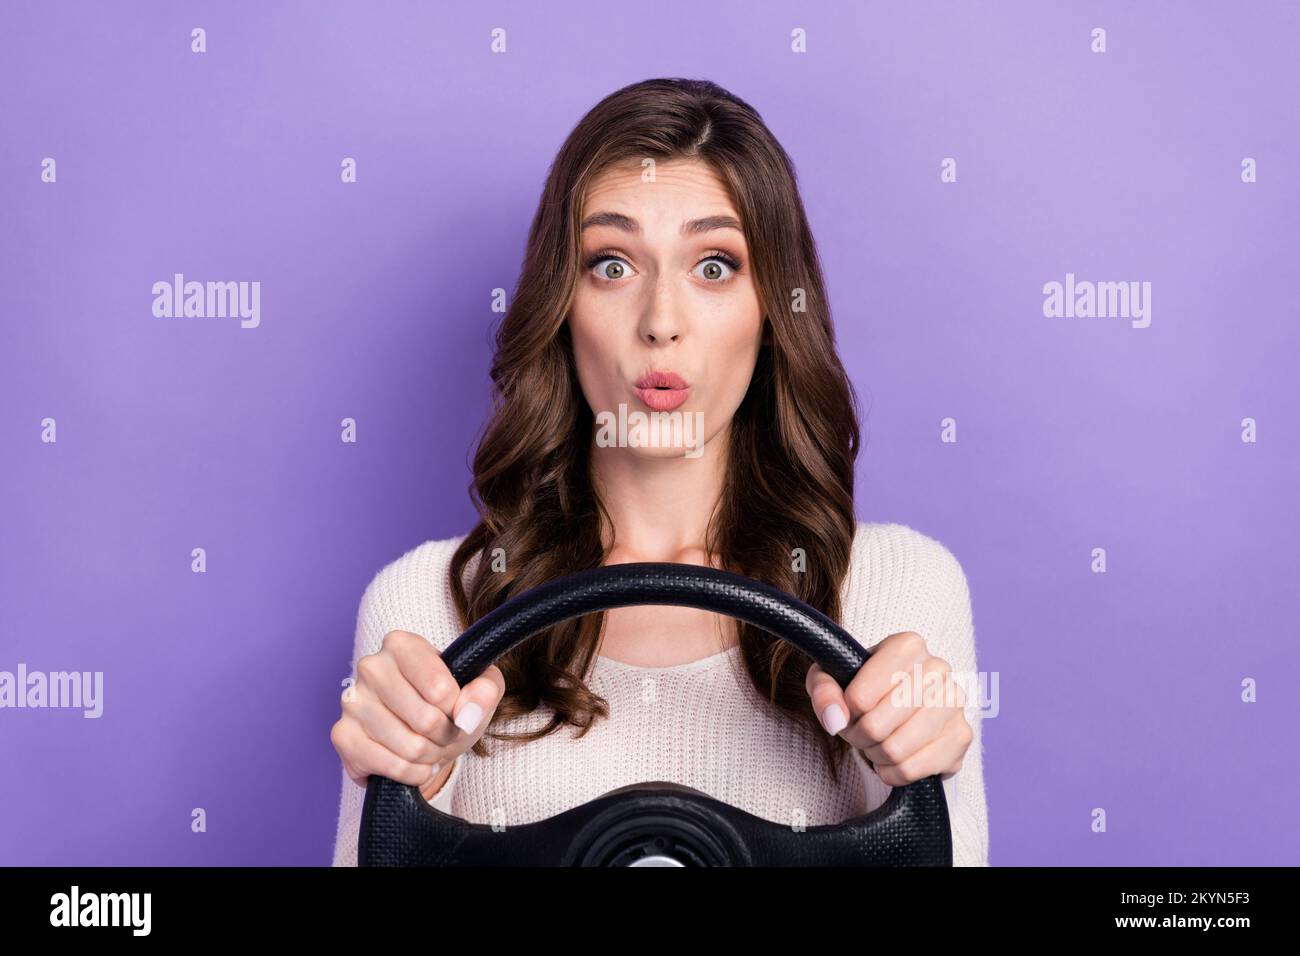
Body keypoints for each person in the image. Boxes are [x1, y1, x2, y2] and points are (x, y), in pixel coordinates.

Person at [330, 77, 989, 866]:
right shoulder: (430, 610)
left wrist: (913, 763)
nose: (661, 323)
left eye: (714, 266)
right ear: (559, 304)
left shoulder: (897, 595)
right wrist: (416, 789)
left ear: (774, 311)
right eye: (612, 265)